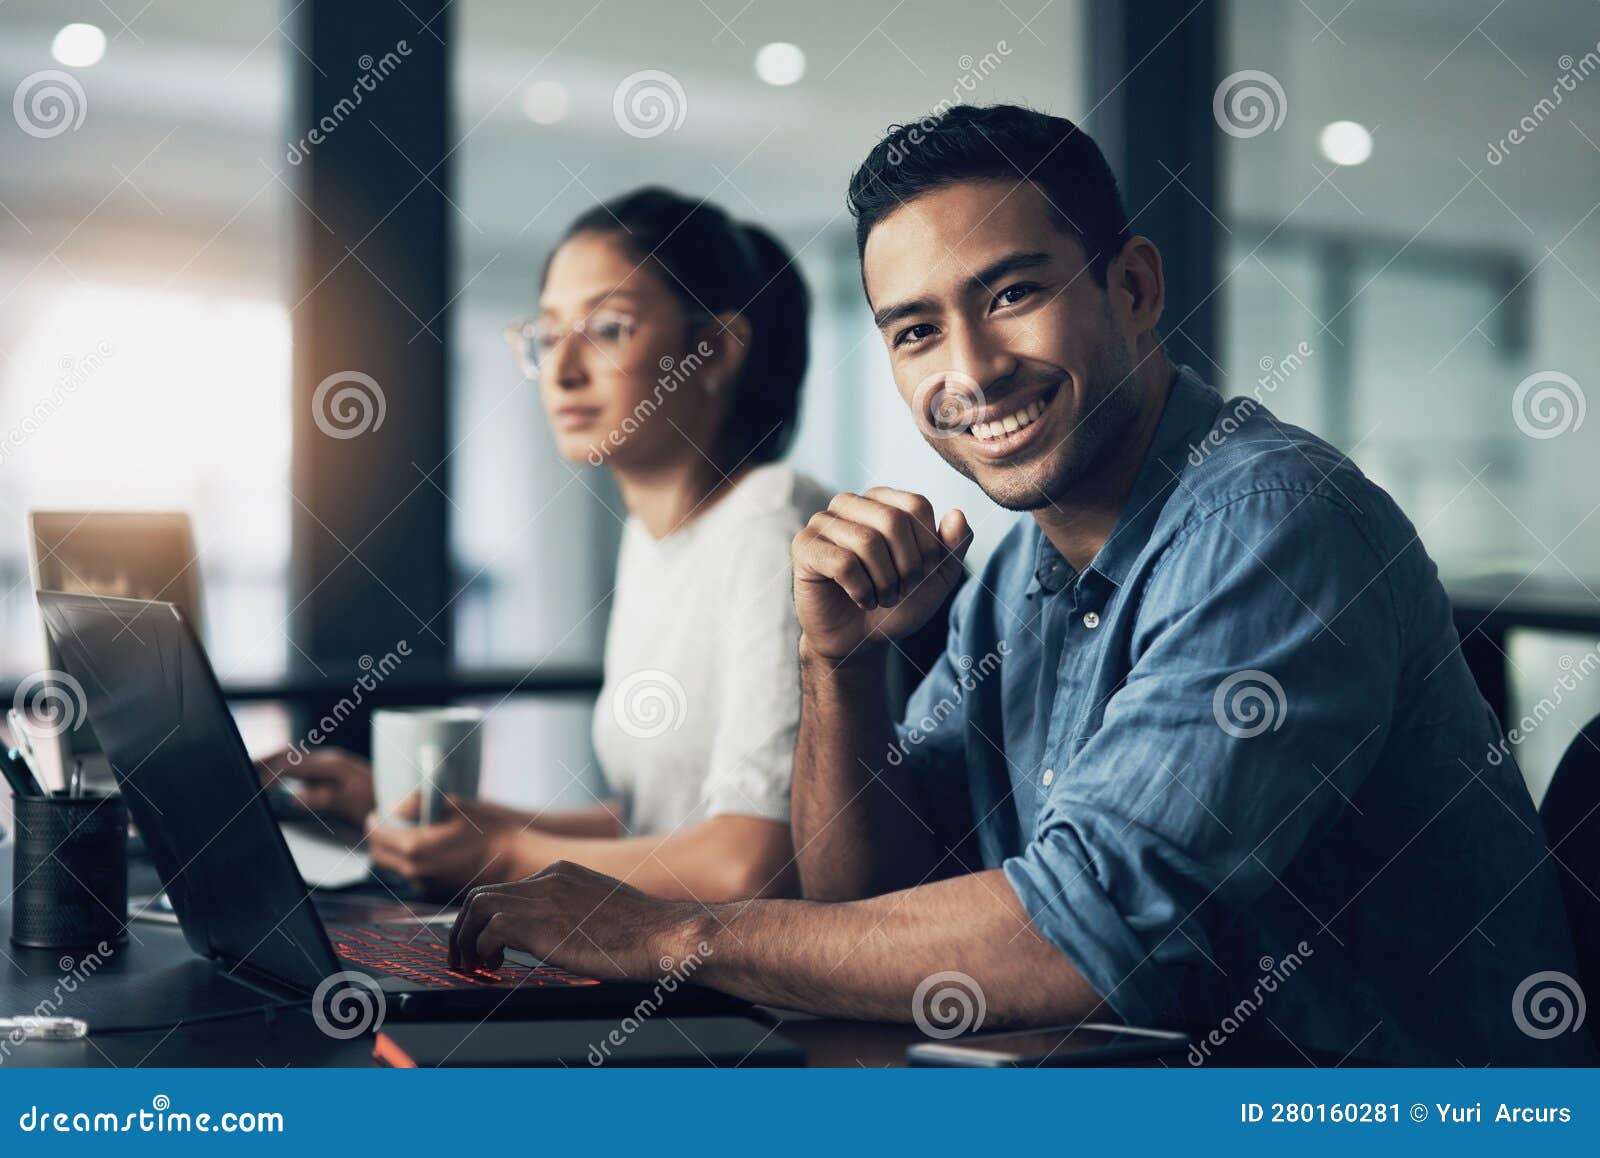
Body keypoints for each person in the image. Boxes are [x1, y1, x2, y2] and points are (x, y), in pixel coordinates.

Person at [443, 105, 1595, 1065]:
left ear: (1132, 288)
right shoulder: (1019, 573)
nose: (971, 371)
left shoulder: (1270, 524)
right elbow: (859, 896)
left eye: (1008, 296)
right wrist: (839, 663)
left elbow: (1076, 936)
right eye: (914, 331)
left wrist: (672, 937)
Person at [263, 187, 829, 904]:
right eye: (549, 334)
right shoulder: (653, 537)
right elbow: (662, 825)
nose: (562, 371)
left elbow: (751, 864)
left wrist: (502, 856)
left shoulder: (773, 525)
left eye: (609, 329)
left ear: (712, 349)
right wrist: (442, 819)